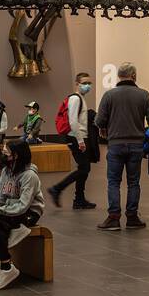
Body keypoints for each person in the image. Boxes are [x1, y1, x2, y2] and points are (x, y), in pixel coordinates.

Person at [95, 63, 149, 231]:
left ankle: (113, 218)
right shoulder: (144, 95)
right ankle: (132, 218)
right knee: (133, 182)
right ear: (134, 76)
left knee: (114, 182)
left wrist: (105, 127)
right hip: (136, 146)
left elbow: (99, 121)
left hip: (115, 145)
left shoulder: (109, 95)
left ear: (119, 76)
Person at [0, 139, 45, 291]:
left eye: (5, 153)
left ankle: (6, 267)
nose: (2, 155)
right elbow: (2, 197)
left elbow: (23, 206)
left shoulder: (30, 176)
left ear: (16, 156)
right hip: (10, 209)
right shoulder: (6, 171)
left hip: (29, 213)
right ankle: (15, 229)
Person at [48, 71, 96, 210]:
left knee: (83, 169)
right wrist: (80, 141)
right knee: (84, 168)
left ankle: (79, 199)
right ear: (77, 84)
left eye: (89, 83)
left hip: (79, 137)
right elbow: (73, 121)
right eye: (84, 83)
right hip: (75, 137)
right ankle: (57, 189)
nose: (87, 85)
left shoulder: (80, 98)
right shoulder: (75, 98)